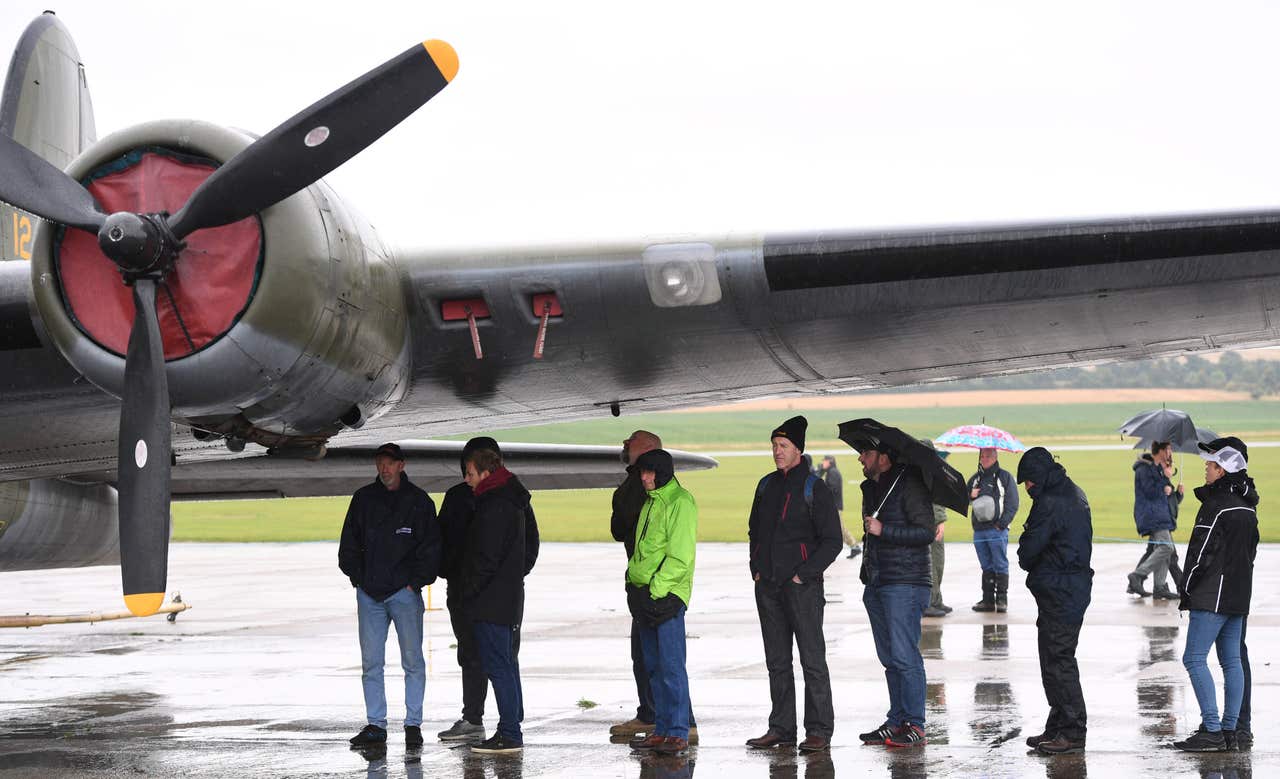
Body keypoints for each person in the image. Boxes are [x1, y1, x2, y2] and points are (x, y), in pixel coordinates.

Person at [746, 416, 843, 753]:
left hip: (802, 588)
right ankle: (781, 728)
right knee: (777, 662)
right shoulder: (765, 486)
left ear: (798, 450)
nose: (776, 451)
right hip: (768, 586)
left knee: (812, 660)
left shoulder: (815, 488)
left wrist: (804, 574)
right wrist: (755, 568)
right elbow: (754, 532)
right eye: (774, 445)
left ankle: (818, 730)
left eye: (783, 446)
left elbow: (832, 542)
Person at [338, 443, 442, 748]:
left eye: (390, 463)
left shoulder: (419, 502)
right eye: (380, 463)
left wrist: (415, 583)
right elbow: (348, 545)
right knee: (371, 662)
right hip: (369, 595)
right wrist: (359, 579)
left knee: (413, 661)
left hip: (404, 594)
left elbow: (431, 548)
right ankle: (376, 725)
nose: (384, 469)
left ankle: (413, 725)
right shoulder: (363, 499)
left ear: (401, 465)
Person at [436, 437, 540, 743]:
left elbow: (490, 555)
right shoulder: (495, 497)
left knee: (500, 662)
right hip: (485, 593)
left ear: (482, 470)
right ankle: (485, 719)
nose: (465, 478)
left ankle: (510, 729)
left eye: (469, 472)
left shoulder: (497, 502)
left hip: (486, 597)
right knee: (483, 657)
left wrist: (476, 586)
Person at [609, 430, 698, 743]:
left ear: (659, 472)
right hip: (644, 595)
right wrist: (633, 585)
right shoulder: (650, 501)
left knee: (671, 667)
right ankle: (662, 728)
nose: (642, 478)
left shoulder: (680, 503)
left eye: (646, 472)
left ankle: (678, 730)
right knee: (653, 666)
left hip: (665, 596)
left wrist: (656, 590)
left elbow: (680, 557)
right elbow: (640, 548)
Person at [1172, 437, 1259, 752]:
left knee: (1194, 658)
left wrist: (1187, 589)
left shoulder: (1215, 506)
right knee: (1232, 661)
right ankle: (1231, 730)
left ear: (1222, 471)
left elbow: (1199, 554)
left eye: (1210, 466)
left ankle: (1211, 729)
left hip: (1212, 596)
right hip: (1239, 596)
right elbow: (1250, 554)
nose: (1206, 470)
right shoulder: (1248, 507)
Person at [854, 437, 936, 748]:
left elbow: (926, 532)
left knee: (905, 656)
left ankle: (915, 723)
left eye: (866, 452)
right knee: (889, 658)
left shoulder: (909, 484)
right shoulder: (872, 487)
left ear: (884, 456)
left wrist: (883, 529)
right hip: (877, 582)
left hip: (905, 582)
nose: (861, 458)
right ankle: (897, 719)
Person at [1015, 447, 1093, 755]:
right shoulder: (1073, 491)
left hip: (1061, 592)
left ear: (1038, 477)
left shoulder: (1050, 502)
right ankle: (1059, 724)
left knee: (1058, 661)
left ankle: (1072, 731)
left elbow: (1027, 552)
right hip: (1067, 589)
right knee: (1055, 659)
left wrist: (1027, 546)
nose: (1027, 489)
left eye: (1028, 482)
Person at [1127, 442, 1183, 600]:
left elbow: (1166, 495)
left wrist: (1176, 492)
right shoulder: (1144, 469)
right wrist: (1164, 479)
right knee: (1166, 548)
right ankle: (1137, 575)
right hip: (1152, 516)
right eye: (1169, 449)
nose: (1171, 452)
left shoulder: (1157, 468)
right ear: (1161, 450)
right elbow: (1151, 492)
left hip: (1161, 515)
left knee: (1162, 551)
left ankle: (1159, 587)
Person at [968, 447, 1019, 613]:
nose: (984, 459)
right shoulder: (975, 479)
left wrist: (1002, 524)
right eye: (982, 456)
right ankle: (988, 600)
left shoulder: (1005, 477)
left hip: (996, 530)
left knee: (1000, 564)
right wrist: (970, 494)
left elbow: (1012, 503)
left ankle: (1002, 600)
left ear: (995, 457)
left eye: (988, 456)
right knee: (986, 565)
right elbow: (962, 499)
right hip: (979, 530)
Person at [921, 439, 952, 618]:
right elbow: (935, 499)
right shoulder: (924, 472)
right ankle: (930, 602)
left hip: (935, 521)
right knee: (932, 563)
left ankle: (936, 599)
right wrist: (940, 520)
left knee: (938, 562)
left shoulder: (933, 470)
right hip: (929, 523)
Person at [818, 455, 861, 560]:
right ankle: (854, 546)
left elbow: (832, 489)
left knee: (839, 529)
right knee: (839, 528)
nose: (823, 462)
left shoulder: (833, 473)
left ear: (830, 462)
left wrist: (822, 485)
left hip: (835, 506)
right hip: (833, 506)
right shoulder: (831, 472)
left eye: (825, 461)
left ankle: (854, 546)